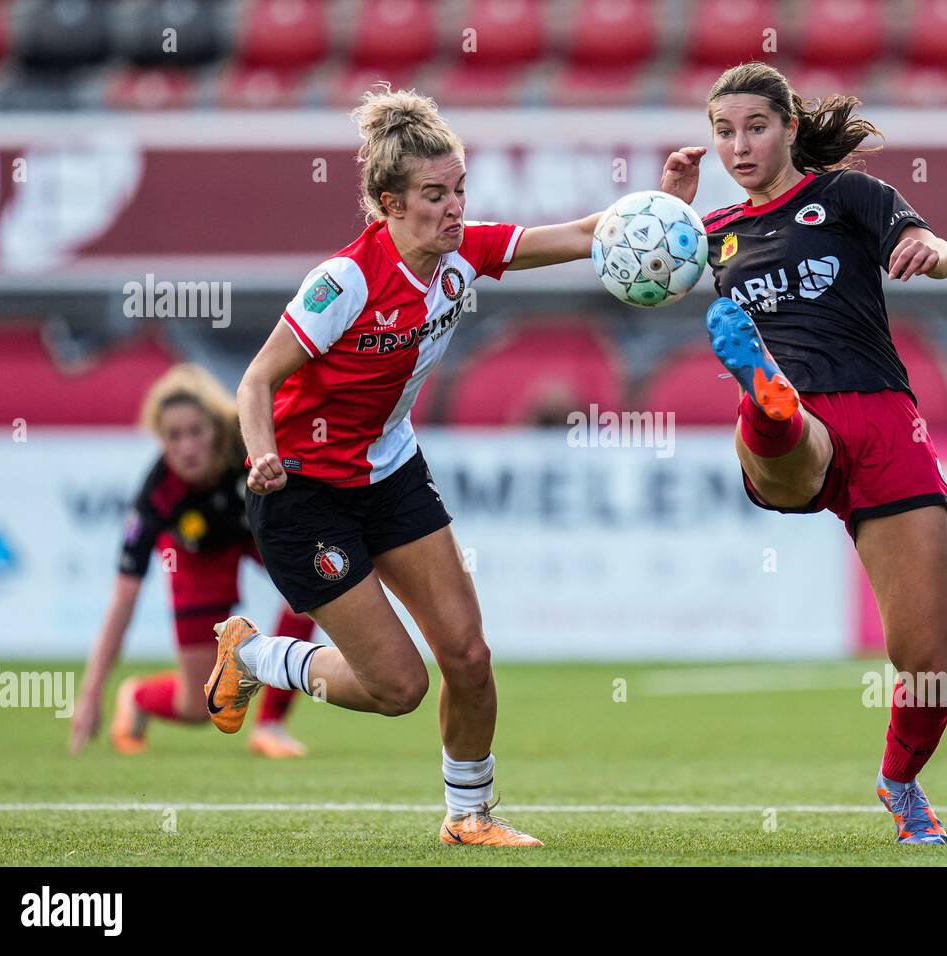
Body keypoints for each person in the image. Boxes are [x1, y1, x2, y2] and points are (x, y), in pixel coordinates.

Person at [210, 86, 654, 847]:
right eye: (434, 195)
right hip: (306, 495)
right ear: (389, 204)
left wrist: (662, 215)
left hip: (392, 477)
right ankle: (253, 652)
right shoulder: (343, 283)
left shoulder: (463, 255)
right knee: (399, 688)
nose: (455, 209)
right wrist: (263, 456)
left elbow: (584, 234)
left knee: (469, 655)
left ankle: (469, 816)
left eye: (459, 190)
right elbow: (256, 380)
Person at [660, 62, 947, 844]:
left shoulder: (848, 196)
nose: (738, 145)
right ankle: (768, 400)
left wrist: (929, 246)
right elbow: (640, 278)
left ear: (790, 127)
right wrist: (664, 213)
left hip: (885, 418)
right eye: (723, 132)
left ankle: (899, 784)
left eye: (755, 127)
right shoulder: (711, 232)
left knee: (928, 664)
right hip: (802, 426)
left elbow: (941, 248)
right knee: (789, 431)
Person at [70, 364, 314, 759]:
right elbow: (123, 599)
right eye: (173, 436)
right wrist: (91, 693)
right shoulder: (157, 495)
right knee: (200, 706)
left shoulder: (244, 442)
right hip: (195, 554)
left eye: (195, 432)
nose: (186, 447)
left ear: (216, 427)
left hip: (254, 531)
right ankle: (137, 696)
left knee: (310, 591)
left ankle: (270, 725)